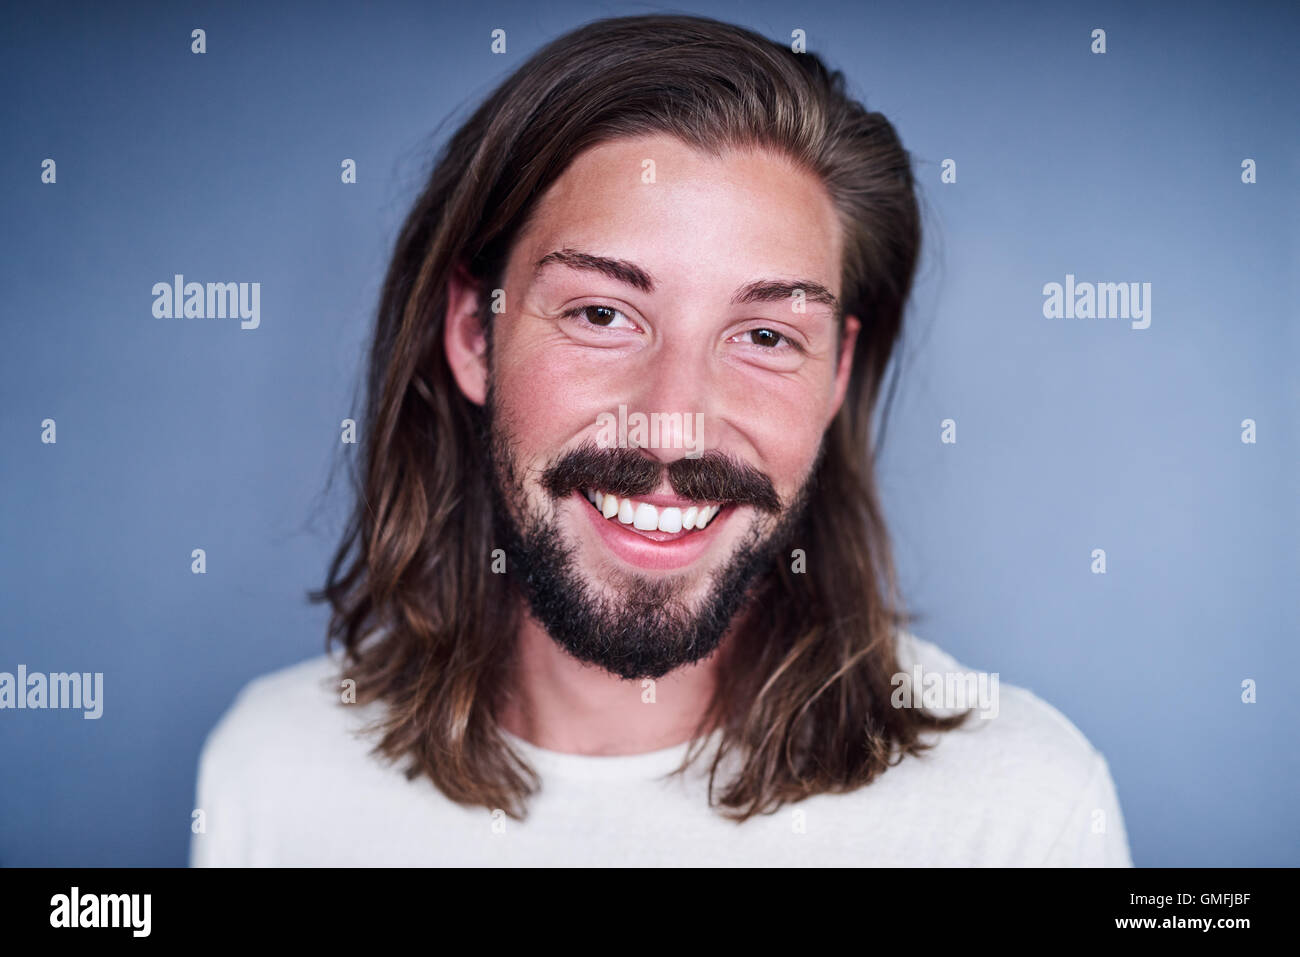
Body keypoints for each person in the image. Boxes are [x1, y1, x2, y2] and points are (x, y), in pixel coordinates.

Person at [190, 13, 1131, 866]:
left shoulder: (1023, 817)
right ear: (477, 333)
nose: (673, 421)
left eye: (766, 336)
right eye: (603, 313)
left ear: (836, 374)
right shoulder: (274, 773)